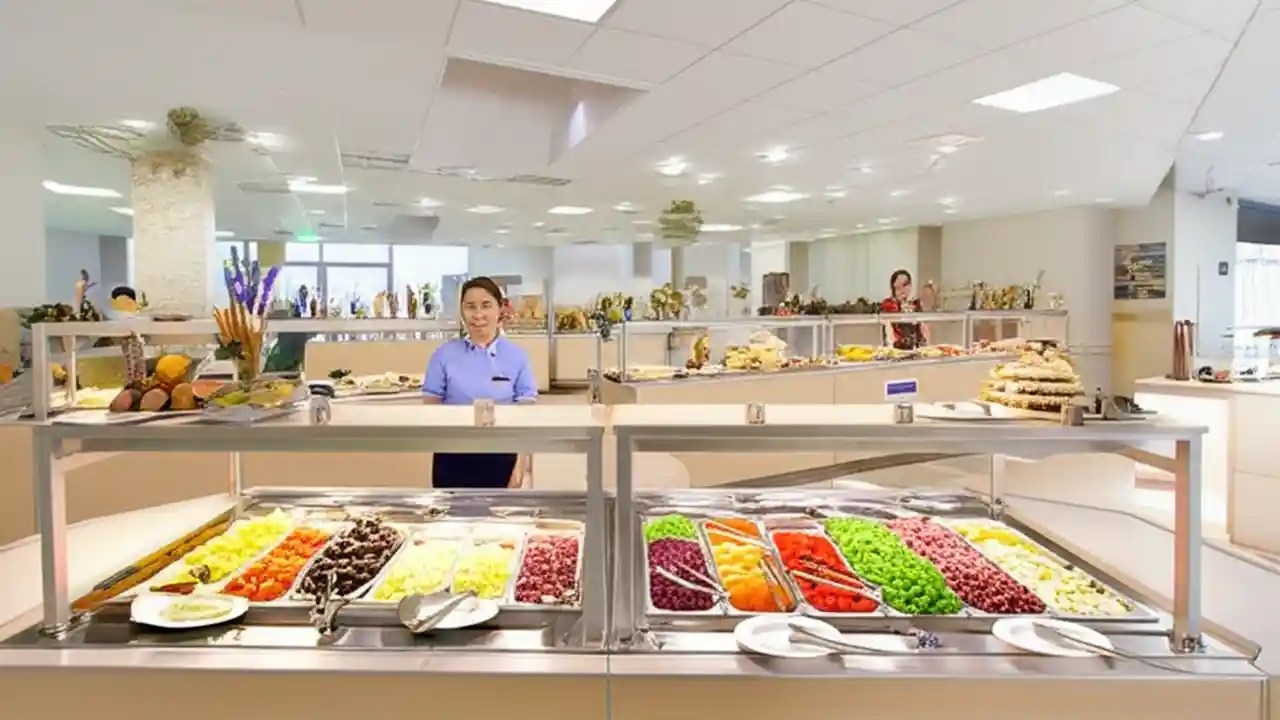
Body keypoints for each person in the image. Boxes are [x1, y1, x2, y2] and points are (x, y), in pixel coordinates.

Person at [422, 277, 537, 488]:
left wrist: (522, 466)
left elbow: (526, 416)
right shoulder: (443, 355)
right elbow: (431, 408)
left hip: (503, 455)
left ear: (499, 309)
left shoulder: (517, 357)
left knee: (502, 518)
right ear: (462, 311)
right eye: (470, 307)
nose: (478, 315)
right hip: (453, 456)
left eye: (486, 305)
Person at [881, 269, 929, 350]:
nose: (902, 290)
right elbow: (889, 330)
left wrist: (925, 347)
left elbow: (923, 328)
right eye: (898, 287)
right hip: (896, 350)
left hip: (916, 350)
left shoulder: (915, 304)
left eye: (905, 285)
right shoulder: (888, 304)